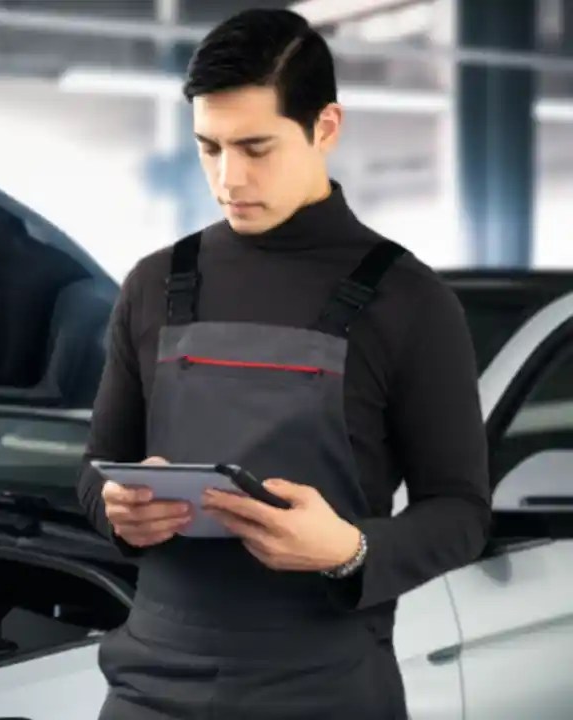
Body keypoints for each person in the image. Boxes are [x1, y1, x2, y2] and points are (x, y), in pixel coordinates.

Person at [75, 8, 492, 720]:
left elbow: (460, 512)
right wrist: (118, 513)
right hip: (148, 686)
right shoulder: (153, 283)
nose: (228, 177)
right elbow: (95, 470)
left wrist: (352, 547)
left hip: (321, 687)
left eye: (256, 147)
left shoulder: (410, 301)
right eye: (208, 147)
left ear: (325, 127)